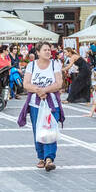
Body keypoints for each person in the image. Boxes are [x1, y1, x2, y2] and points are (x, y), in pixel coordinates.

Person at [20, 43, 64, 172]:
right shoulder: (31, 65)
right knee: (38, 129)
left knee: (50, 129)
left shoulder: (55, 65)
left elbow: (59, 83)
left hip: (52, 103)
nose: (48, 52)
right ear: (38, 52)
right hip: (36, 103)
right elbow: (26, 84)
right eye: (45, 50)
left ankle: (49, 158)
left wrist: (45, 90)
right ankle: (41, 156)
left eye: (49, 50)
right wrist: (37, 90)